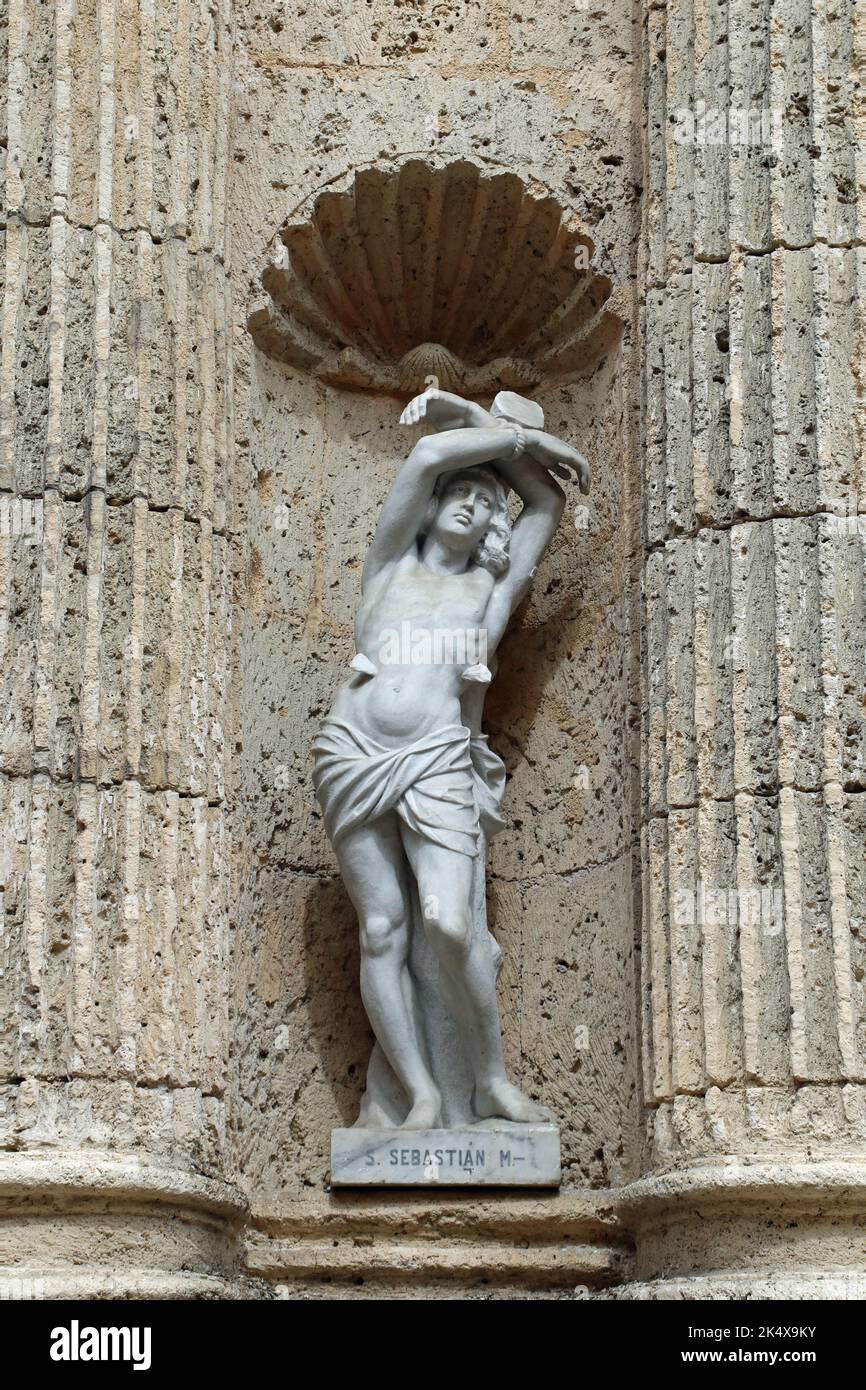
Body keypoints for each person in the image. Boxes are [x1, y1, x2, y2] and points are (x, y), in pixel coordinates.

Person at [313, 389, 589, 1129]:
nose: (471, 502)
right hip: (352, 752)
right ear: (430, 508)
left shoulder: (488, 594)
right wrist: (490, 428)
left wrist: (514, 445)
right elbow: (430, 454)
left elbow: (544, 509)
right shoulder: (388, 566)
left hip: (436, 755)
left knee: (450, 924)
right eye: (459, 495)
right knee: (381, 929)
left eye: (483, 500)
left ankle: (491, 1082)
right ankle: (421, 1095)